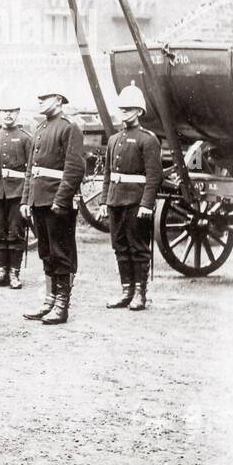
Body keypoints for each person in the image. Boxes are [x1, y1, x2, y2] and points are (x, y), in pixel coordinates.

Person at [21, 84, 85, 325]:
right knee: (46, 252)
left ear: (58, 99)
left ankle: (61, 305)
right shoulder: (40, 129)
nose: (39, 101)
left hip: (57, 202)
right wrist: (26, 199)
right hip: (39, 200)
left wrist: (61, 200)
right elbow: (31, 169)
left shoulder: (69, 128)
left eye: (44, 97)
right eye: (38, 97)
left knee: (61, 252)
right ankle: (49, 300)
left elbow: (74, 169)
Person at [102, 84, 162, 311]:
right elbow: (108, 174)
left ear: (139, 112)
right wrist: (103, 202)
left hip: (136, 203)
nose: (124, 113)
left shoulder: (148, 140)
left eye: (129, 109)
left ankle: (140, 293)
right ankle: (126, 291)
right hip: (115, 200)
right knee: (119, 246)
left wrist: (146, 204)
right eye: (122, 109)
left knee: (138, 247)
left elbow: (153, 177)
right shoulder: (114, 139)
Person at [0, 95, 32, 289]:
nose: (8, 115)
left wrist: (27, 197)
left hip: (17, 191)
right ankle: (1, 272)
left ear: (18, 113)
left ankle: (14, 272)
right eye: (4, 111)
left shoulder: (25, 138)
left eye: (12, 111)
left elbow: (30, 168)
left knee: (15, 231)